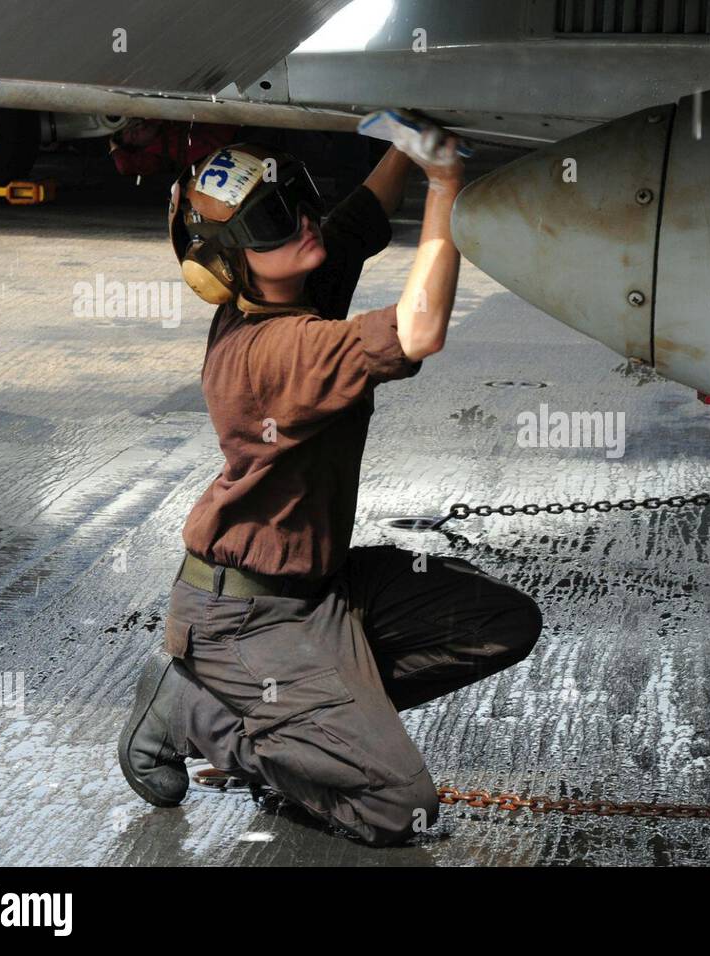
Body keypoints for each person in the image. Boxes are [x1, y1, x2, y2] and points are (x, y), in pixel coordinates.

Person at [117, 138, 542, 846]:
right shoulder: (275, 354)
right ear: (224, 266)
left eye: (294, 203)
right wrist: (447, 182)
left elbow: (361, 218)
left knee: (500, 622)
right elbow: (420, 329)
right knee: (396, 807)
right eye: (275, 222)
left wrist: (409, 144)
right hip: (248, 622)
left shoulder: (291, 285)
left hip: (321, 592)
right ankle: (198, 710)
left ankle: (320, 721)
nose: (304, 223)